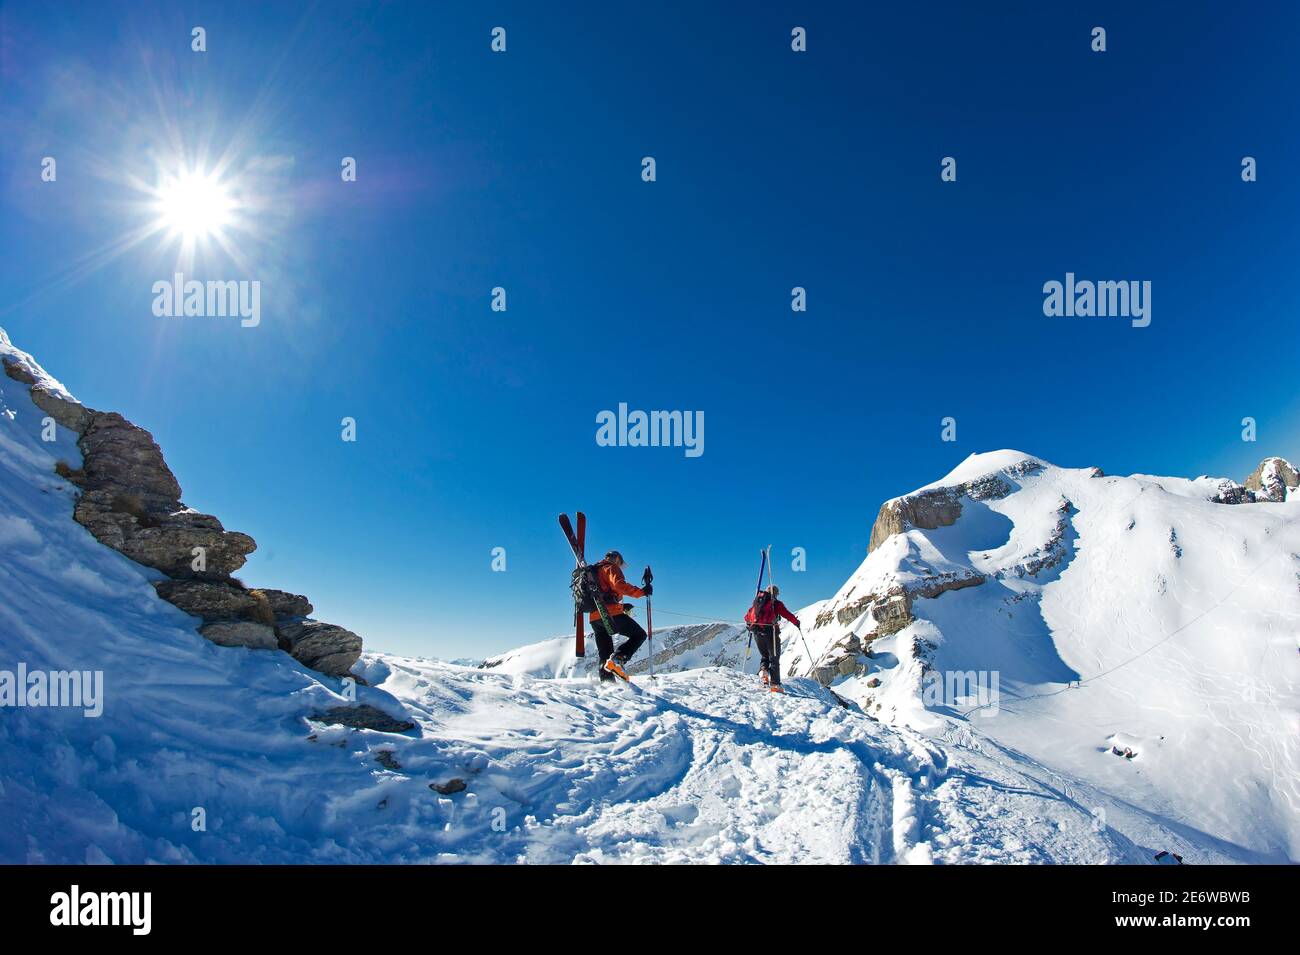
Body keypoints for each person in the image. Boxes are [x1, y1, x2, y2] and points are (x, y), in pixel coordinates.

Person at [588, 550, 651, 682]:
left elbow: (600, 595)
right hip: (610, 614)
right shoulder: (610, 567)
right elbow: (619, 585)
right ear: (617, 559)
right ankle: (617, 660)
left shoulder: (592, 572)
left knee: (605, 654)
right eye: (621, 564)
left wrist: (622, 607)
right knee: (639, 635)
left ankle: (608, 685)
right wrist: (641, 592)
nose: (620, 566)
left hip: (595, 617)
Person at [744, 584, 800, 693]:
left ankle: (764, 672)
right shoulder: (776, 604)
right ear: (776, 594)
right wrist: (796, 622)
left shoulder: (757, 602)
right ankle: (775, 685)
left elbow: (746, 617)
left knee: (764, 656)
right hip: (771, 634)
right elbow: (787, 614)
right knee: (774, 659)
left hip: (757, 633)